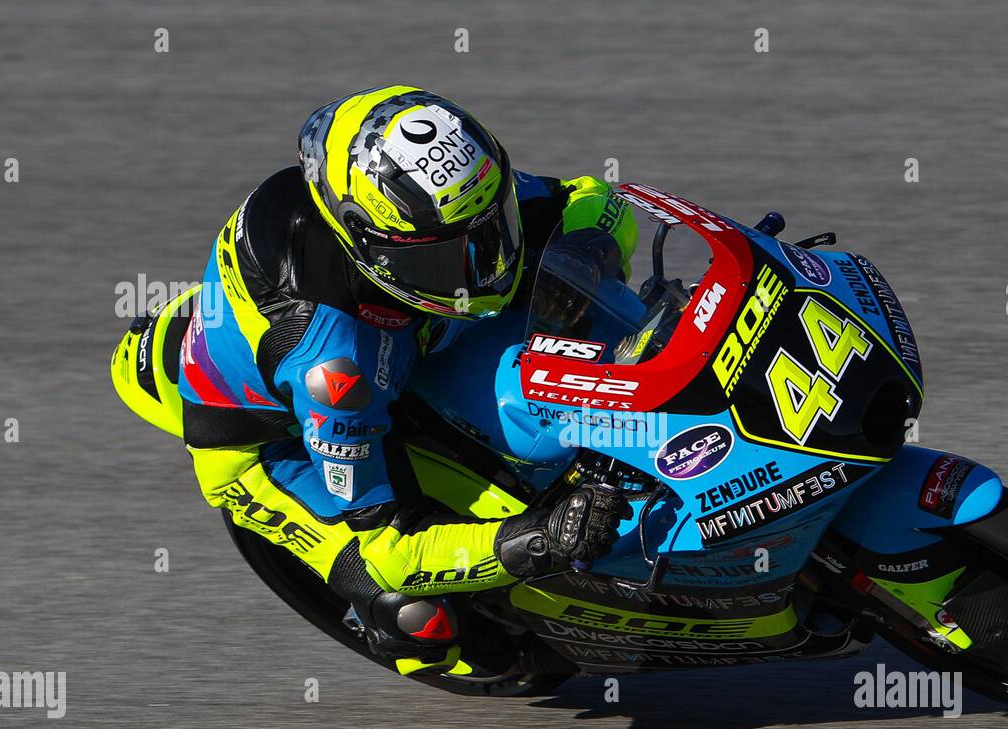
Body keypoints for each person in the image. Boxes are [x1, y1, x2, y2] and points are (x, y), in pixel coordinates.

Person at [111, 85, 634, 671]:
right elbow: (388, 547)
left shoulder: (435, 199)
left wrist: (590, 252)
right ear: (374, 247)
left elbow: (593, 197)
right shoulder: (333, 364)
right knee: (401, 605)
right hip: (272, 445)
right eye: (444, 259)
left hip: (408, 338)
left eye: (493, 229)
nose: (486, 267)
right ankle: (425, 641)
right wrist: (536, 540)